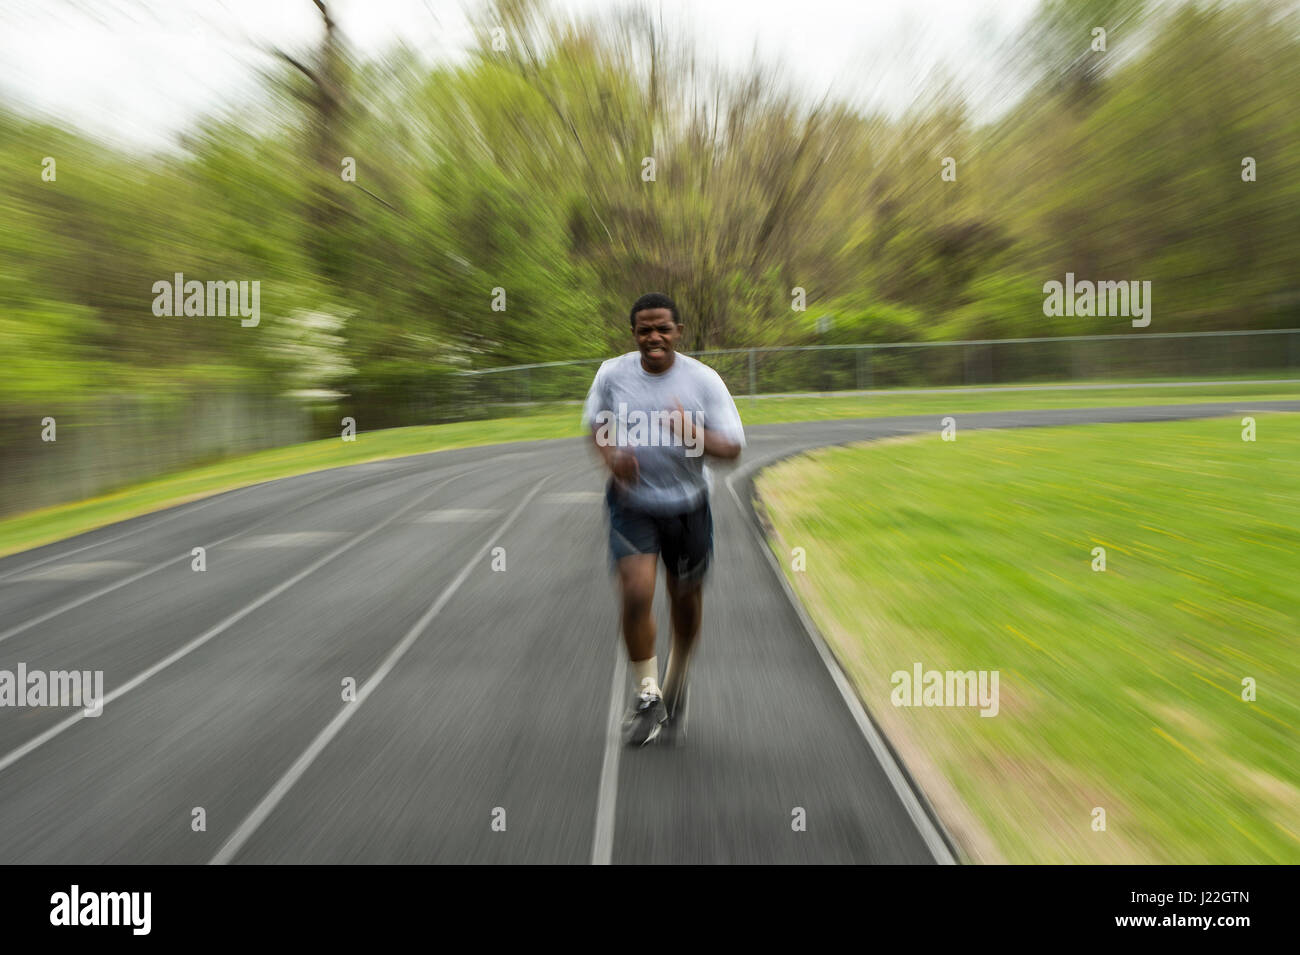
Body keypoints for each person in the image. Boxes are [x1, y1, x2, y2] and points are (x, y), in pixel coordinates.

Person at [582, 292, 745, 746]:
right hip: (632, 505)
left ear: (678, 332)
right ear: (633, 333)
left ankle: (677, 681)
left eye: (662, 329)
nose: (653, 337)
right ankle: (648, 694)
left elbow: (732, 449)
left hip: (688, 506)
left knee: (685, 602)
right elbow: (597, 424)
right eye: (644, 329)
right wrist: (611, 455)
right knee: (636, 592)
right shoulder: (613, 375)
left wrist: (693, 435)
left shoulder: (703, 381)